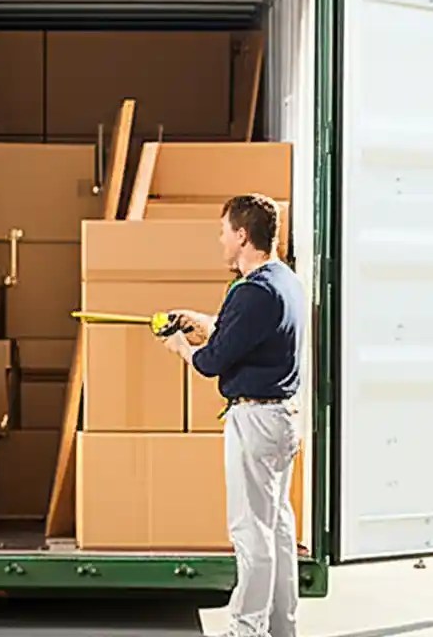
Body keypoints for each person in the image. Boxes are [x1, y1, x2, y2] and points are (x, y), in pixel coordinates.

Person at [161, 193, 304, 637]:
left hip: (256, 422)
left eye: (224, 231)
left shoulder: (252, 292)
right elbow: (247, 332)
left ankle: (245, 629)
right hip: (282, 418)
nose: (220, 239)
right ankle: (281, 627)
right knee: (277, 529)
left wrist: (183, 347)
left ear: (242, 236)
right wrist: (202, 320)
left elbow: (212, 362)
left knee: (251, 531)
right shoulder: (283, 281)